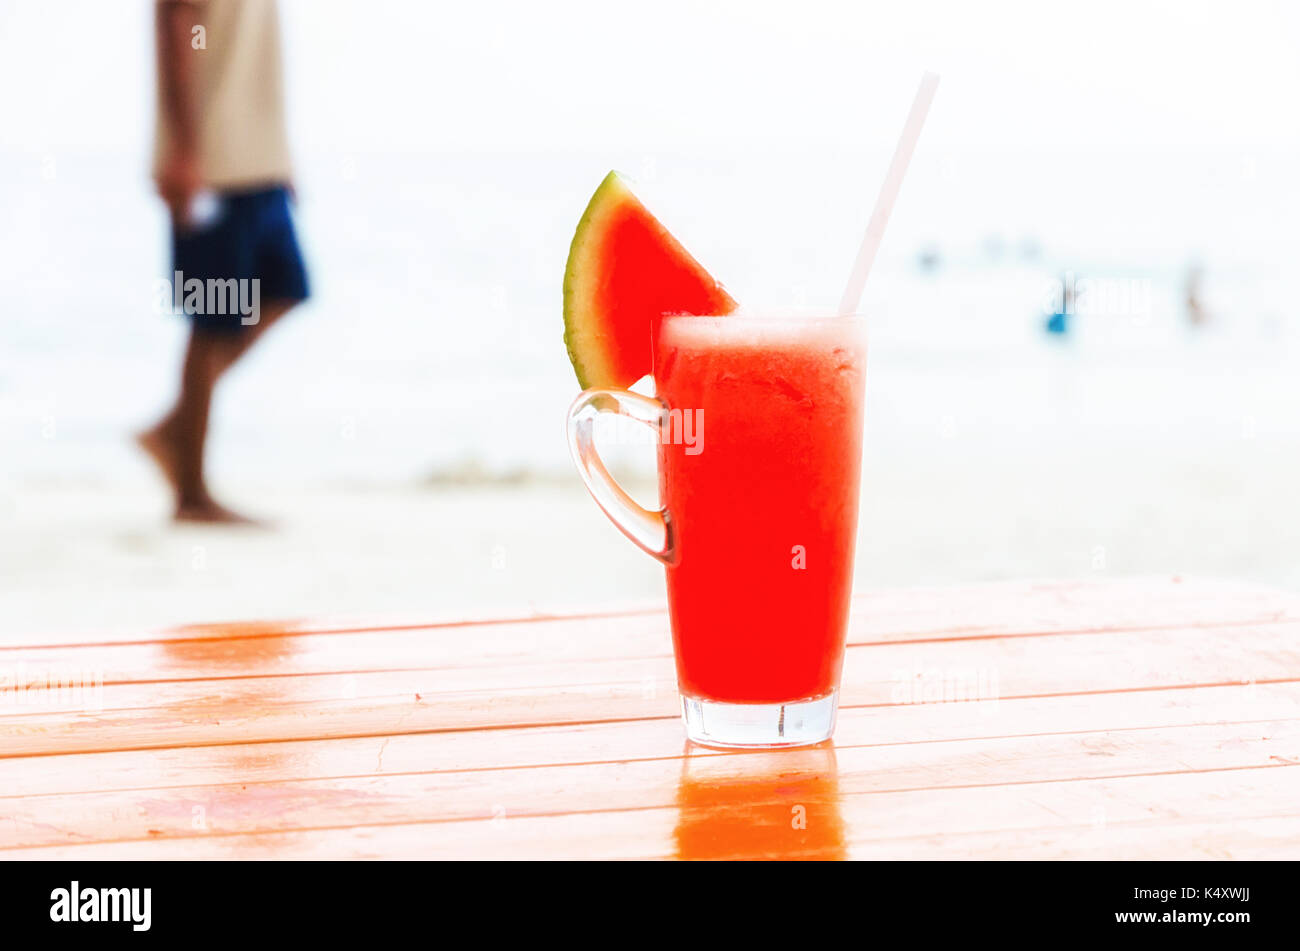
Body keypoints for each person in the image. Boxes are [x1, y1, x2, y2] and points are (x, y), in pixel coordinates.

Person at [138, 0, 308, 523]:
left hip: (260, 161)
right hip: (212, 164)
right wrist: (185, 152)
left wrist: (281, 158)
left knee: (286, 290)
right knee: (211, 319)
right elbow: (175, 23)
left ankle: (175, 430)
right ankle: (191, 493)